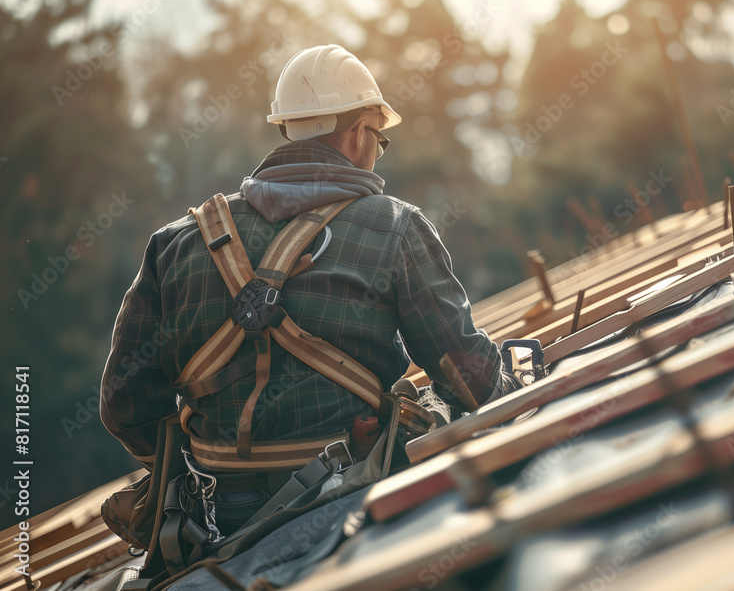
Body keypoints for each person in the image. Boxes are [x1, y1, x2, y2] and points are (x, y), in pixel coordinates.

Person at [100, 44, 516, 538]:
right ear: (361, 133)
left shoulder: (174, 245)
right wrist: (515, 390)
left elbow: (124, 403)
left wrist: (201, 468)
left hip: (220, 520)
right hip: (358, 498)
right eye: (379, 140)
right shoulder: (396, 228)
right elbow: (468, 377)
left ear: (287, 131)